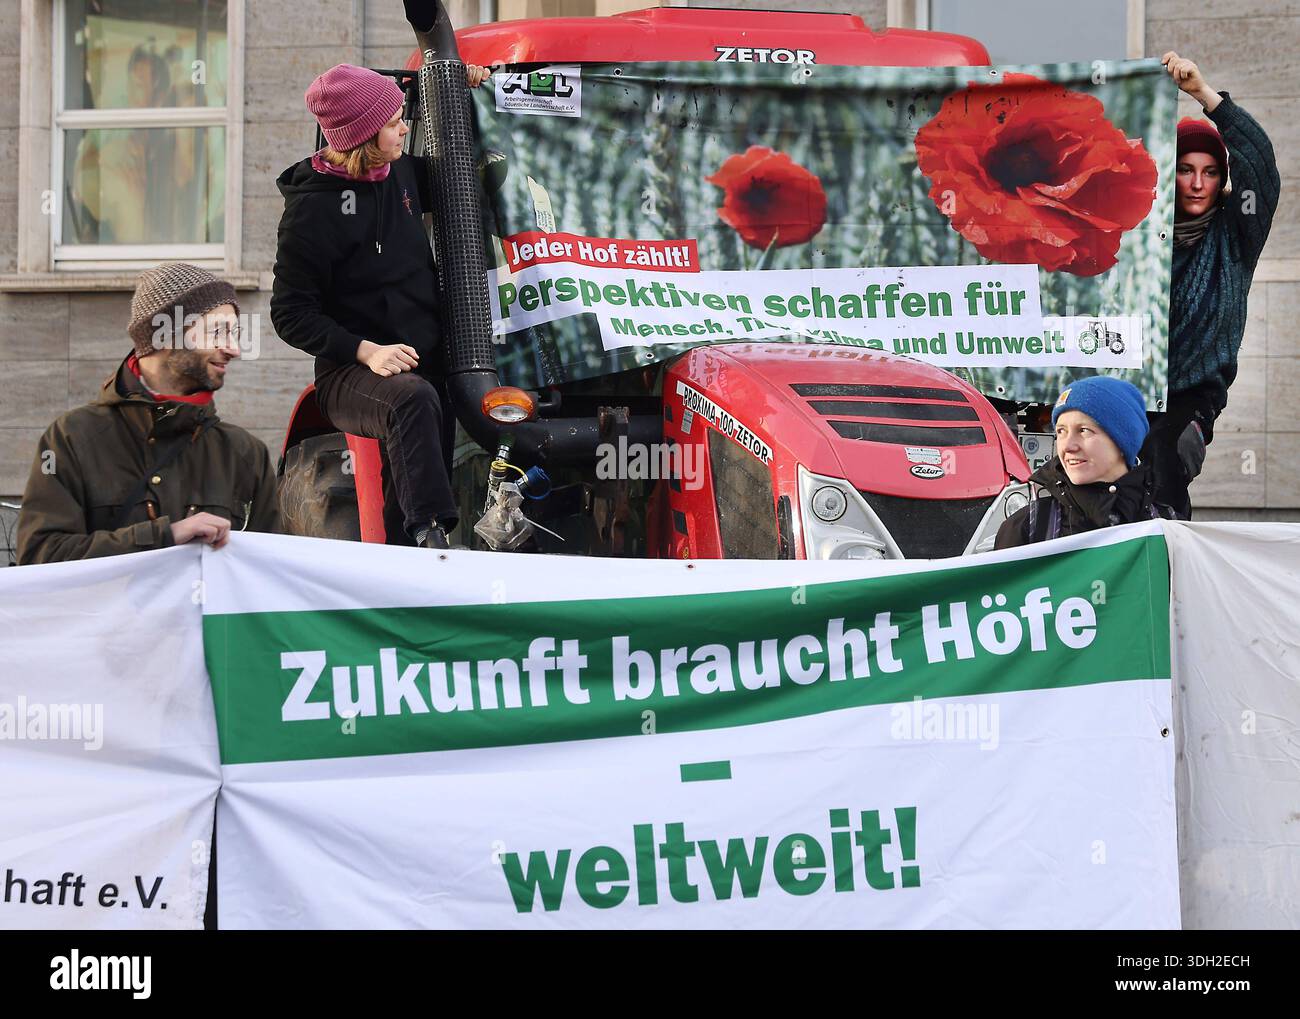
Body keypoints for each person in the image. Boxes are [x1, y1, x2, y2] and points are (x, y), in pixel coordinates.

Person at [270, 62, 489, 550]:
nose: (404, 127)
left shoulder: (402, 175)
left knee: (424, 411)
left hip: (425, 364)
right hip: (351, 372)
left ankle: (402, 567)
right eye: (393, 123)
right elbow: (289, 314)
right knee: (411, 398)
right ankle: (434, 541)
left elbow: (470, 165)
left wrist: (465, 87)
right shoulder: (311, 212)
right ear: (364, 137)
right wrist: (367, 351)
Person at [16, 263, 280, 565]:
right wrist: (163, 537)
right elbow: (39, 558)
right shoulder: (71, 439)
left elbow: (270, 575)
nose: (234, 349)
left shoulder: (246, 454)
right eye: (218, 332)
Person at [1141, 52, 1281, 519]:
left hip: (1190, 399)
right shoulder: (1141, 235)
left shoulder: (1236, 233)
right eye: (1185, 169)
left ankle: (1165, 578)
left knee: (1165, 470)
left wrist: (1205, 96)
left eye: (1211, 171)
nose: (1198, 183)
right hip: (1127, 388)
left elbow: (1259, 168)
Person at [996, 377, 1177, 549]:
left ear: (1123, 442)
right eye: (1060, 431)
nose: (1067, 446)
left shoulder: (1168, 527)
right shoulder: (1028, 529)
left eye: (1083, 430)